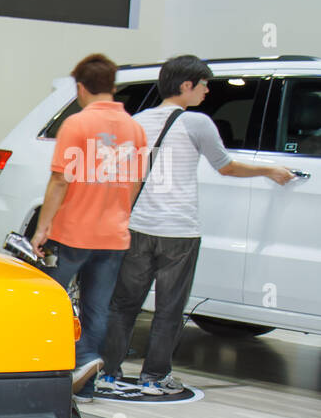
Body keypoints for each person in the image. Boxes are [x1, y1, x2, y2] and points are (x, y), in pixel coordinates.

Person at [98, 56, 296, 396]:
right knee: (169, 308)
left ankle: (108, 373)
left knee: (124, 305)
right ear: (186, 85)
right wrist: (270, 170)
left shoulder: (138, 120)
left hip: (139, 226)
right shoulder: (197, 123)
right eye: (204, 84)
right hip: (179, 230)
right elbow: (226, 167)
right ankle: (154, 378)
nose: (207, 91)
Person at [30, 53, 147, 400]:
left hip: (73, 232)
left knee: (51, 301)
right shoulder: (135, 129)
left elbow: (60, 180)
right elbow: (136, 181)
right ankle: (87, 379)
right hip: (113, 235)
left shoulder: (77, 125)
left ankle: (48, 372)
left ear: (81, 88)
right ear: (111, 86)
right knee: (98, 307)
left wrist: (42, 227)